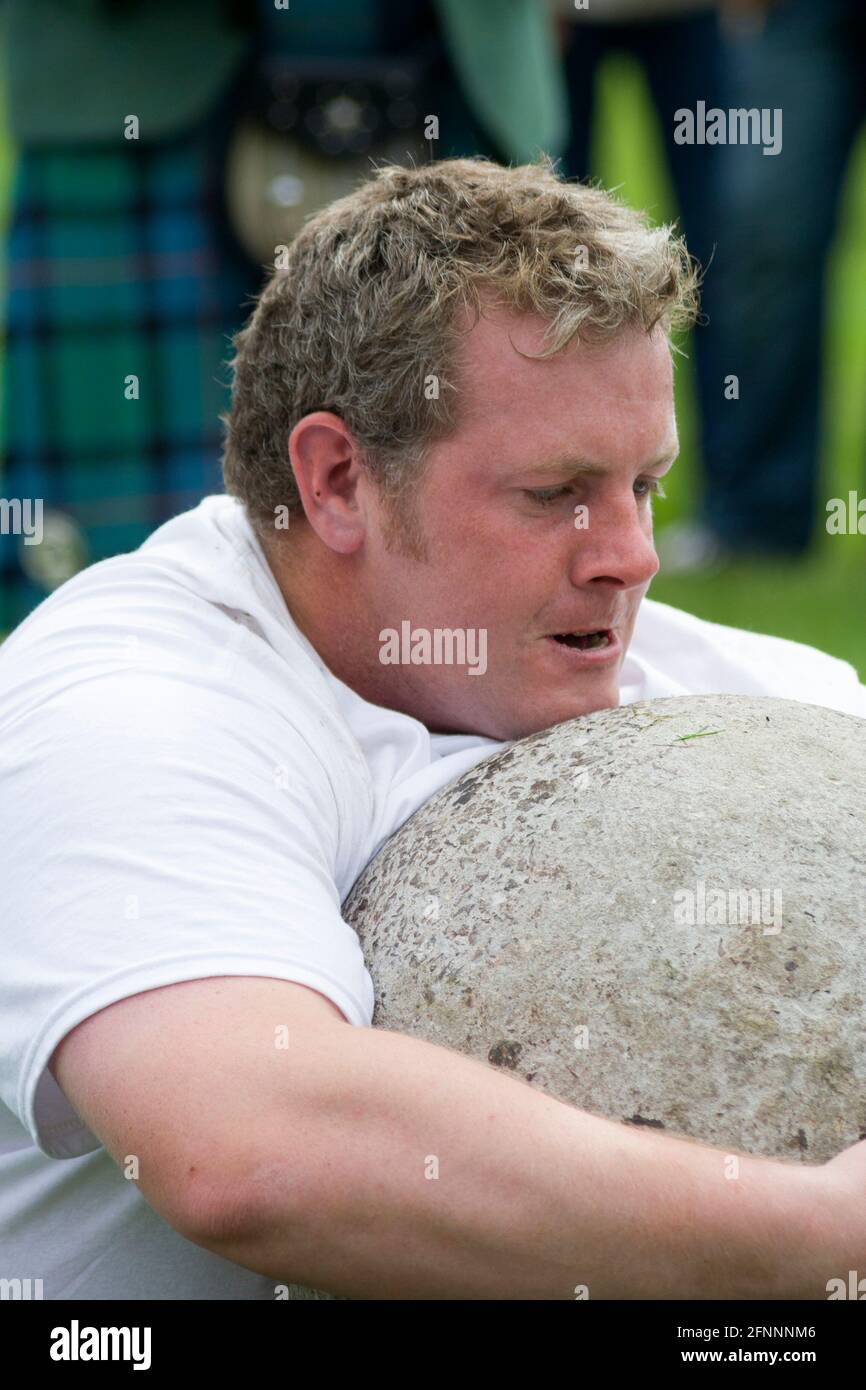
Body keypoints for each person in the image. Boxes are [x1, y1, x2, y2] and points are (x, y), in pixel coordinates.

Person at [1, 159, 864, 1301]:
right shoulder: (126, 709)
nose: (630, 555)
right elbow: (242, 1148)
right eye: (554, 490)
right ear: (339, 479)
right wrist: (809, 1233)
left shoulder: (720, 694)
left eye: (644, 484)